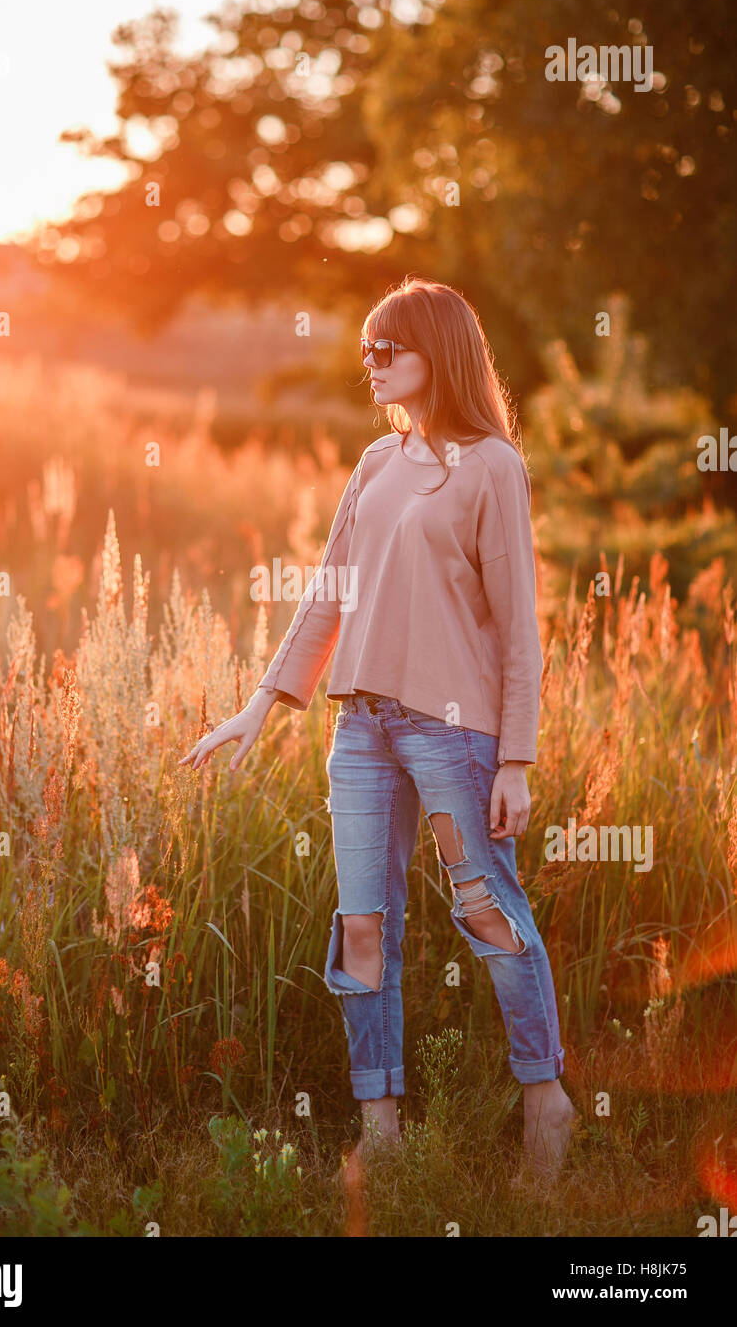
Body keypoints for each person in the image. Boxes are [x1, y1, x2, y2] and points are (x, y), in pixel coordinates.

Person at [179, 276, 575, 1178]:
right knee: (362, 926)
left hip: (455, 735)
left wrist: (517, 758)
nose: (373, 365)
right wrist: (262, 703)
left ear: (440, 351)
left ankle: (546, 1103)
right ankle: (381, 1128)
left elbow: (520, 628)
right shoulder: (373, 465)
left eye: (388, 349)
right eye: (365, 351)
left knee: (488, 912)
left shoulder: (493, 468)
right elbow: (329, 594)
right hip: (359, 732)